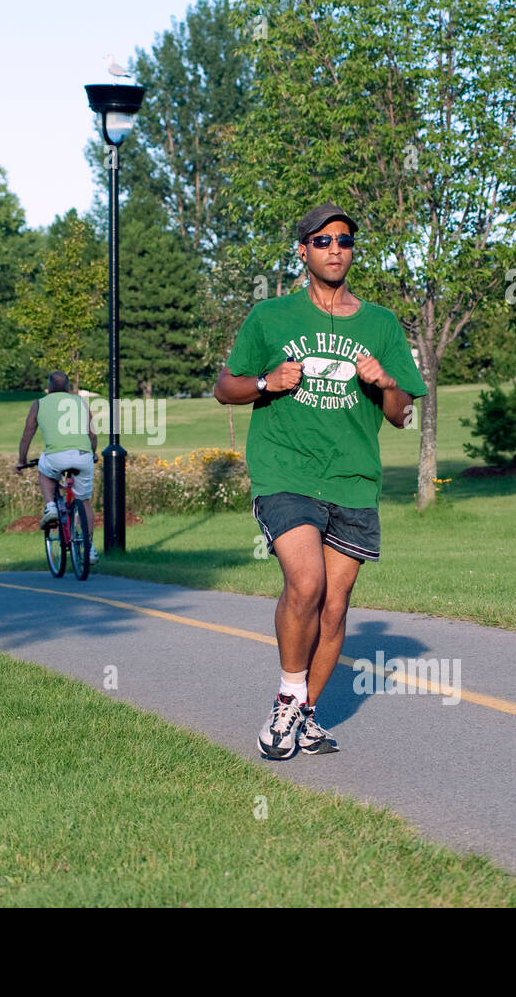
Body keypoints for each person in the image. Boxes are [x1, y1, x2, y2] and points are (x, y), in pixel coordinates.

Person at [214, 201, 428, 760]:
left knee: (335, 605)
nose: (336, 249)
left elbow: (402, 416)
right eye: (324, 241)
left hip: (353, 479)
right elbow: (225, 387)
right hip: (285, 471)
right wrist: (268, 380)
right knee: (305, 584)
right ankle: (288, 697)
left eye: (346, 241)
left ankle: (306, 717)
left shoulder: (380, 325)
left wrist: (385, 383)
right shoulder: (271, 317)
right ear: (304, 250)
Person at [15, 371, 99, 562]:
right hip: (82, 456)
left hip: (56, 457)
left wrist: (22, 460)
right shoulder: (80, 403)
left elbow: (27, 434)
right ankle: (89, 548)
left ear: (49, 386)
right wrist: (92, 453)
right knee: (84, 501)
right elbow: (92, 435)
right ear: (68, 387)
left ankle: (51, 506)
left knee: (45, 473)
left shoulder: (39, 404)